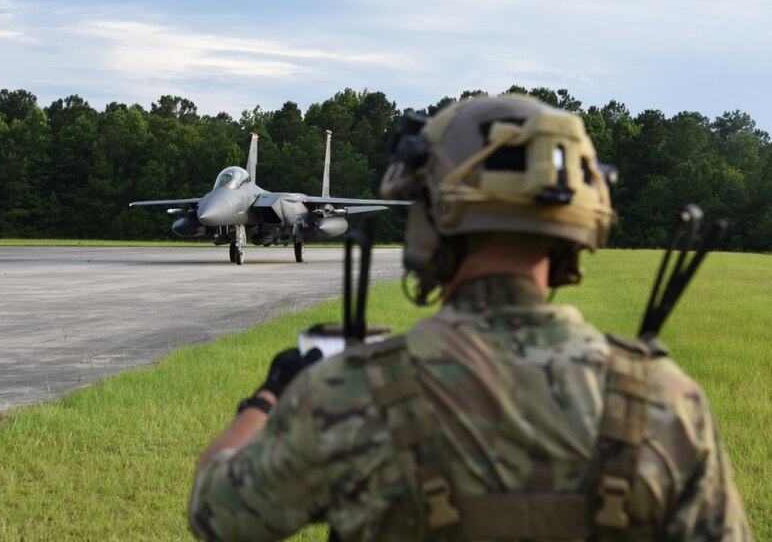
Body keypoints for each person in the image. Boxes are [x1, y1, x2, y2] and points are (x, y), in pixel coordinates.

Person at [188, 94, 750, 541]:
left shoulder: (349, 392)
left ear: (430, 219)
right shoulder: (666, 403)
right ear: (579, 232)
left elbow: (217, 514)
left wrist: (271, 396)